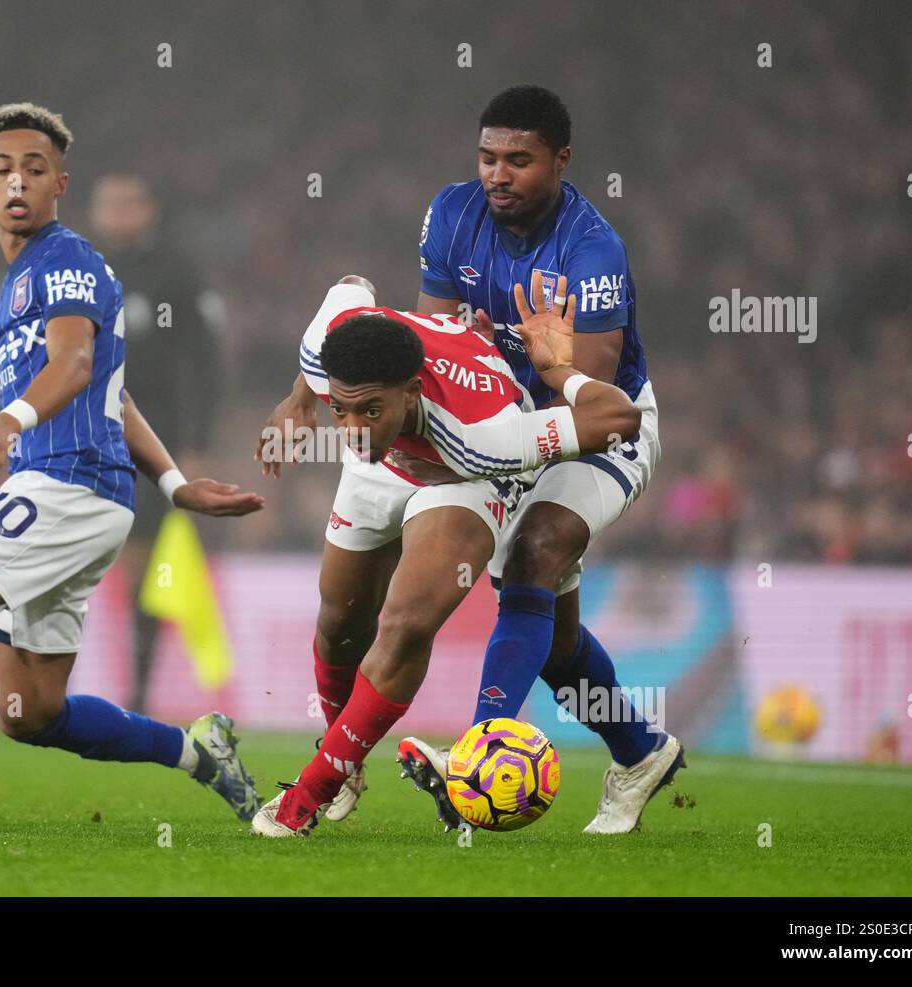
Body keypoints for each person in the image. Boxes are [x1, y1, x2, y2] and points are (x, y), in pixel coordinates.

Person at [260, 86, 680, 835]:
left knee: (534, 553)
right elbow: (429, 333)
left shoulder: (593, 251)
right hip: (487, 418)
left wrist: (549, 365)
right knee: (551, 639)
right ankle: (639, 748)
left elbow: (600, 400)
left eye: (519, 160)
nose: (498, 174)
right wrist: (462, 344)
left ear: (561, 161)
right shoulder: (452, 213)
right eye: (488, 157)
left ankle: (480, 751)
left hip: (590, 421)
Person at [0, 102, 263, 825]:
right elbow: (113, 389)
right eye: (3, 168)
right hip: (84, 490)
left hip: (68, 480)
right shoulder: (18, 284)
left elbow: (73, 364)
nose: (18, 182)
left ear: (59, 185)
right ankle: (199, 750)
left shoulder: (65, 259)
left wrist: (8, 419)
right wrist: (173, 483)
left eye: (35, 170)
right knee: (30, 711)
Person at [252, 272, 639, 837]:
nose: (353, 432)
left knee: (406, 625)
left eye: (368, 412)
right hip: (390, 465)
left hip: (464, 478)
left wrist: (560, 372)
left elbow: (619, 418)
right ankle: (346, 758)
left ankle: (308, 793)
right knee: (338, 621)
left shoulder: (489, 432)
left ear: (410, 391)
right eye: (341, 411)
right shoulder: (328, 347)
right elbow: (352, 284)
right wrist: (298, 399)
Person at [88, 174, 223, 713]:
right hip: (83, 436)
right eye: (107, 203)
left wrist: (196, 442)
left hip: (151, 442)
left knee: (142, 564)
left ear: (148, 209)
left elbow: (205, 359)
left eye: (127, 203)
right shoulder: (83, 269)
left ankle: (138, 689)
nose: (116, 213)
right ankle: (34, 681)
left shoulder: (177, 274)